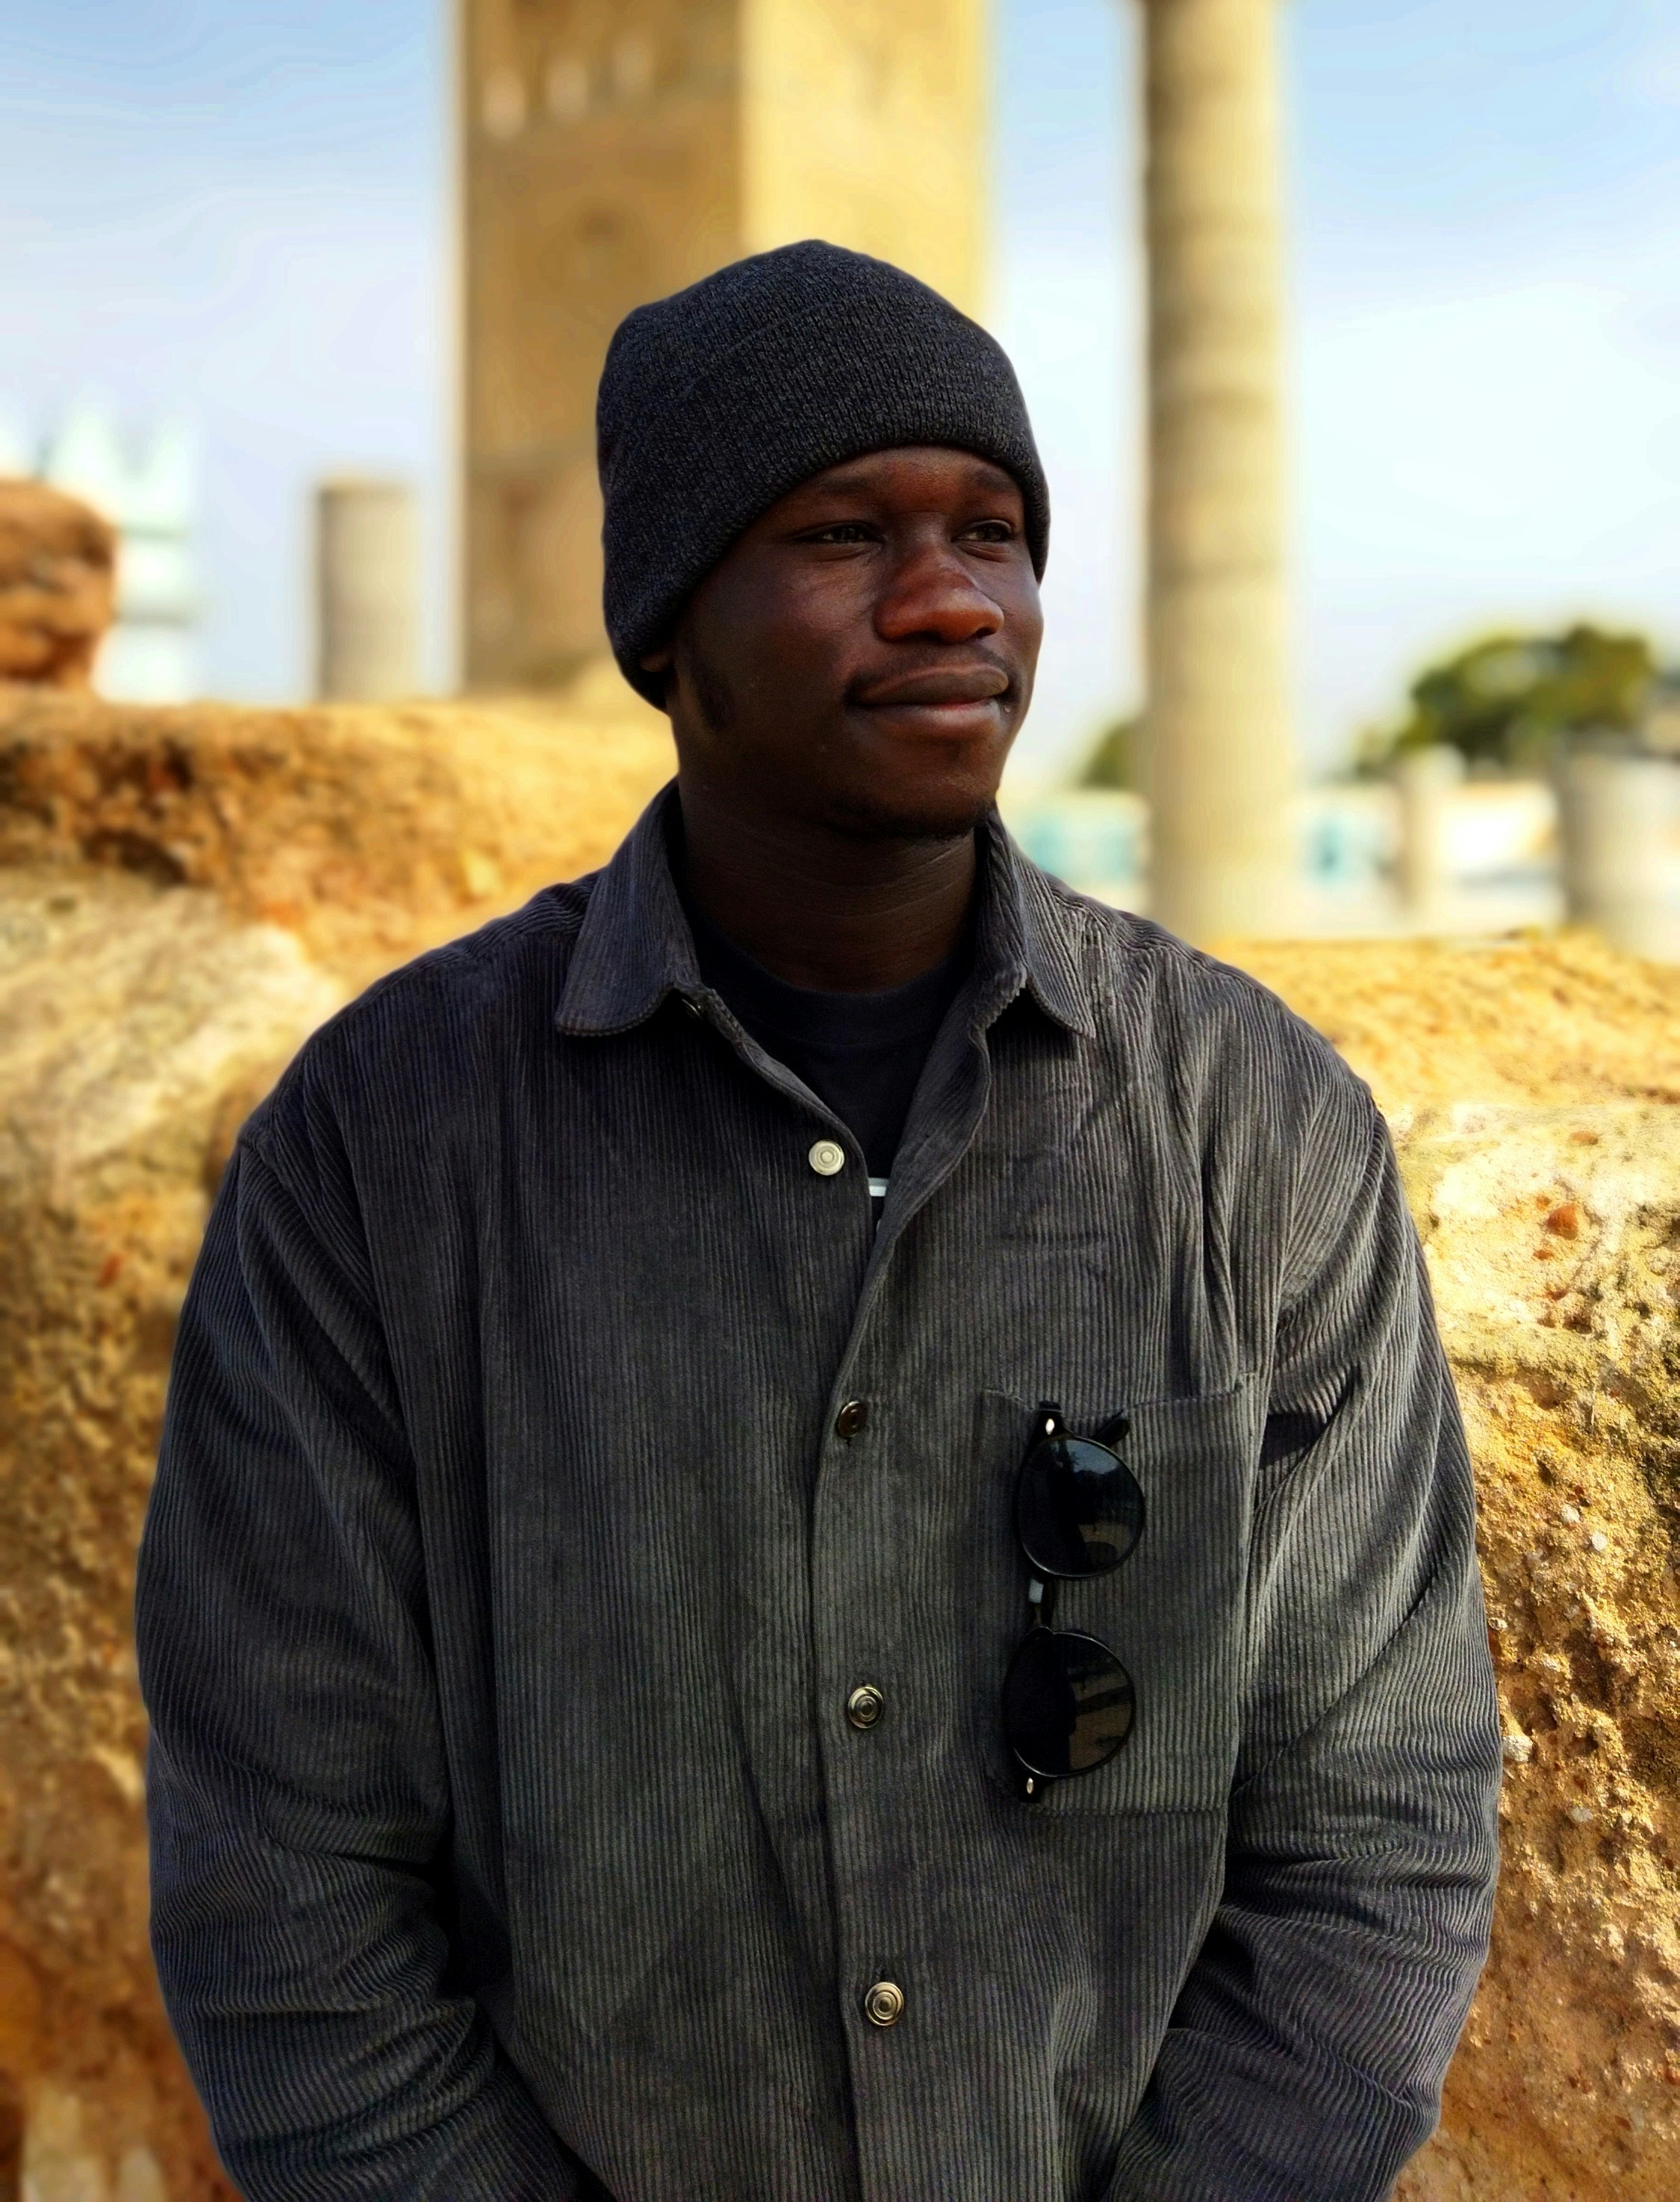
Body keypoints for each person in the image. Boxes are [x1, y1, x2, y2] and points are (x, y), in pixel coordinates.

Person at [137, 241, 1500, 2202]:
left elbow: (1376, 1830)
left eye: (993, 532)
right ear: (666, 625)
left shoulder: (1256, 1128)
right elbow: (286, 1886)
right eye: (846, 534)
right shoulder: (383, 1144)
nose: (953, 601)